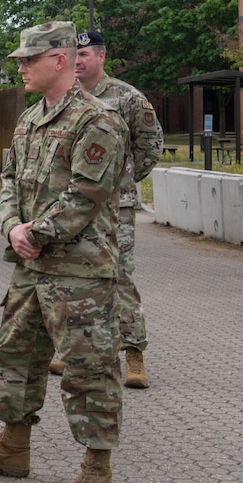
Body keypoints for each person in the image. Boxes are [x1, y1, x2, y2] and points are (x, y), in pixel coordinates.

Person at [0, 21, 128, 483]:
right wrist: (12, 227)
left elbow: (86, 195)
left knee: (88, 368)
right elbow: (9, 180)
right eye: (20, 61)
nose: (22, 67)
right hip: (31, 266)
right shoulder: (30, 120)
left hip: (81, 271)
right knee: (16, 355)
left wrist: (35, 232)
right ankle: (13, 446)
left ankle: (97, 470)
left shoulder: (99, 120)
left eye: (30, 59)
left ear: (61, 60)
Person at [51, 30, 162, 388]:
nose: (78, 60)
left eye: (84, 54)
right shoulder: (64, 98)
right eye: (74, 54)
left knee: (119, 275)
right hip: (72, 203)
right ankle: (77, 352)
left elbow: (150, 144)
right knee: (75, 276)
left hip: (116, 207)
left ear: (101, 56)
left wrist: (122, 180)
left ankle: (133, 355)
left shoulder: (126, 97)